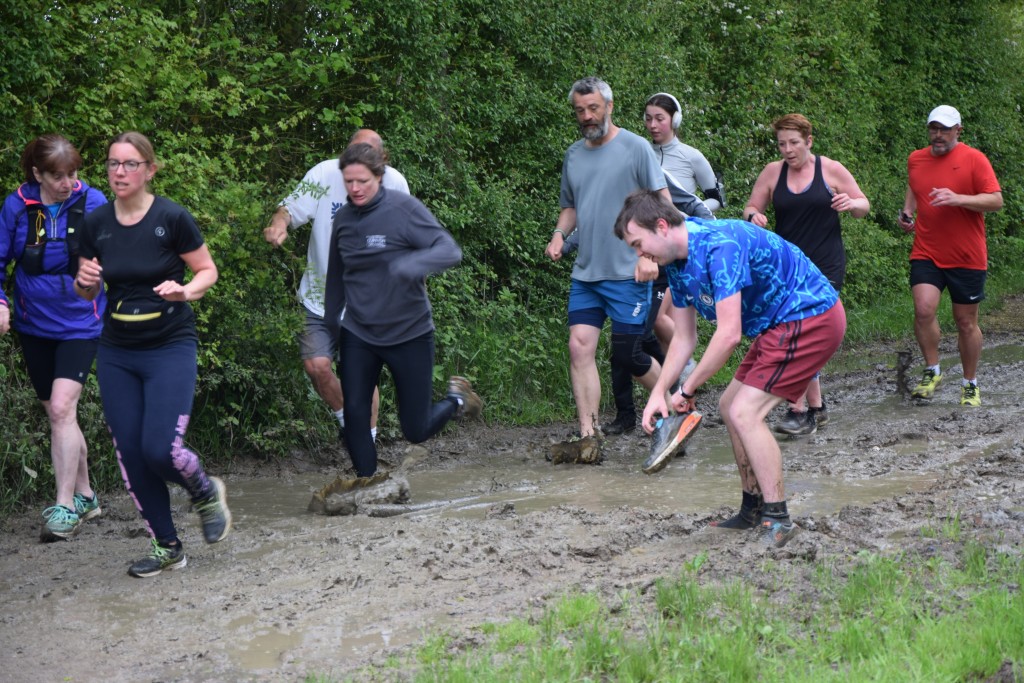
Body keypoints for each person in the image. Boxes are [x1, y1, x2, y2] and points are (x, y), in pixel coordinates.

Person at [614, 189, 846, 548]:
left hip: (812, 315)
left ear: (661, 226)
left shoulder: (719, 246)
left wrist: (686, 390)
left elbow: (728, 335)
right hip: (779, 325)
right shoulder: (676, 261)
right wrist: (659, 392)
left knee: (744, 411)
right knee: (728, 406)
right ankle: (752, 508)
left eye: (636, 243)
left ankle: (778, 519)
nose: (638, 253)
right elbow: (684, 338)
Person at [76, 132, 230, 577]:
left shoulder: (171, 217)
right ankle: (167, 547)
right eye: (112, 164)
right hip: (117, 350)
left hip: (169, 345)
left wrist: (185, 290)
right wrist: (84, 279)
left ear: (150, 169)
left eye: (129, 164)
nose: (119, 172)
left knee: (160, 448)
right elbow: (83, 285)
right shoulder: (97, 223)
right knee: (131, 452)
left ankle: (203, 490)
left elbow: (207, 270)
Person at [322, 143, 482, 478]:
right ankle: (368, 483)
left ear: (379, 176)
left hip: (409, 332)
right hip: (359, 332)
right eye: (348, 182)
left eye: (362, 181)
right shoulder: (344, 219)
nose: (354, 189)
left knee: (416, 428)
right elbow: (336, 279)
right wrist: (330, 330)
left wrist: (410, 263)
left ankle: (457, 400)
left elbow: (449, 250)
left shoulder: (404, 209)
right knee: (354, 414)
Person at [544, 77, 671, 451]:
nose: (586, 116)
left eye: (593, 108)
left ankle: (674, 412)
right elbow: (571, 207)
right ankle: (588, 436)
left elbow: (661, 205)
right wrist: (558, 235)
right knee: (578, 347)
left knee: (629, 355)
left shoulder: (636, 148)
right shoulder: (573, 155)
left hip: (629, 270)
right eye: (580, 110)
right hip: (587, 273)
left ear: (609, 106)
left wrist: (650, 255)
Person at [264, 129, 410, 441]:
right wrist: (279, 223)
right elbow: (289, 208)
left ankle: (364, 450)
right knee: (317, 366)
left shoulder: (395, 183)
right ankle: (351, 423)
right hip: (319, 300)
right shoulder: (324, 173)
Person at [0, 135, 108, 541]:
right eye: (58, 176)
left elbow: (108, 253)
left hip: (81, 320)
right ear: (37, 174)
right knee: (59, 414)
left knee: (62, 408)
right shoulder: (17, 205)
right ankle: (85, 495)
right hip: (33, 323)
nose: (67, 182)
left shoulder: (92, 202)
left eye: (72, 174)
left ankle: (63, 508)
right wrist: (1, 303)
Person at [743, 113, 869, 435]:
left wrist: (849, 203)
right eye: (782, 143)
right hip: (786, 267)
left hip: (825, 264)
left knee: (801, 328)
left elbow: (863, 205)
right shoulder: (773, 172)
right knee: (795, 328)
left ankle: (797, 411)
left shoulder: (830, 169)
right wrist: (755, 216)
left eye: (794, 143)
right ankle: (816, 407)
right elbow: (751, 207)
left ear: (809, 141)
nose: (787, 149)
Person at [898, 105, 1003, 407]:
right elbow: (915, 184)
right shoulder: (916, 158)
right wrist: (907, 212)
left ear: (958, 130)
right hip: (927, 250)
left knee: (965, 322)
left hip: (967, 255)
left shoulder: (974, 159)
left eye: (945, 129)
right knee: (923, 309)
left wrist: (959, 199)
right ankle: (932, 370)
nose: (938, 135)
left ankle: (970, 383)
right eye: (934, 128)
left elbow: (996, 200)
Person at [644, 92, 726, 213]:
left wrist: (690, 212)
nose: (653, 125)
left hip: (681, 228)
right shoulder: (640, 153)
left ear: (675, 120)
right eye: (648, 119)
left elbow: (717, 200)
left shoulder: (692, 156)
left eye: (659, 119)